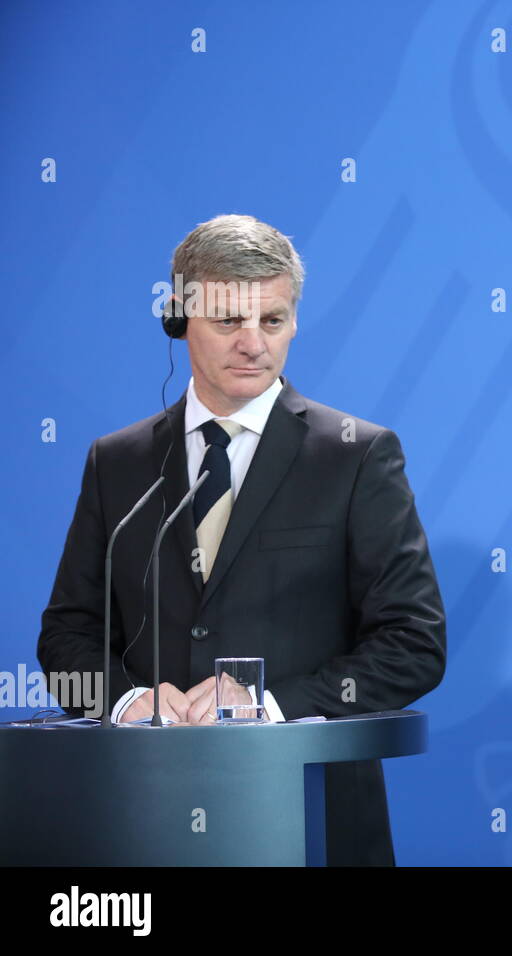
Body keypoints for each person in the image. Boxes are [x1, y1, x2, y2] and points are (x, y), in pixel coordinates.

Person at [37, 214, 446, 866]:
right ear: (178, 319)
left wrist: (272, 706)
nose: (254, 343)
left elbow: (413, 645)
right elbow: (66, 635)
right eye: (229, 321)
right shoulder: (117, 464)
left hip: (307, 814)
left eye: (274, 321)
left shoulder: (356, 457)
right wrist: (128, 699)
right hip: (142, 816)